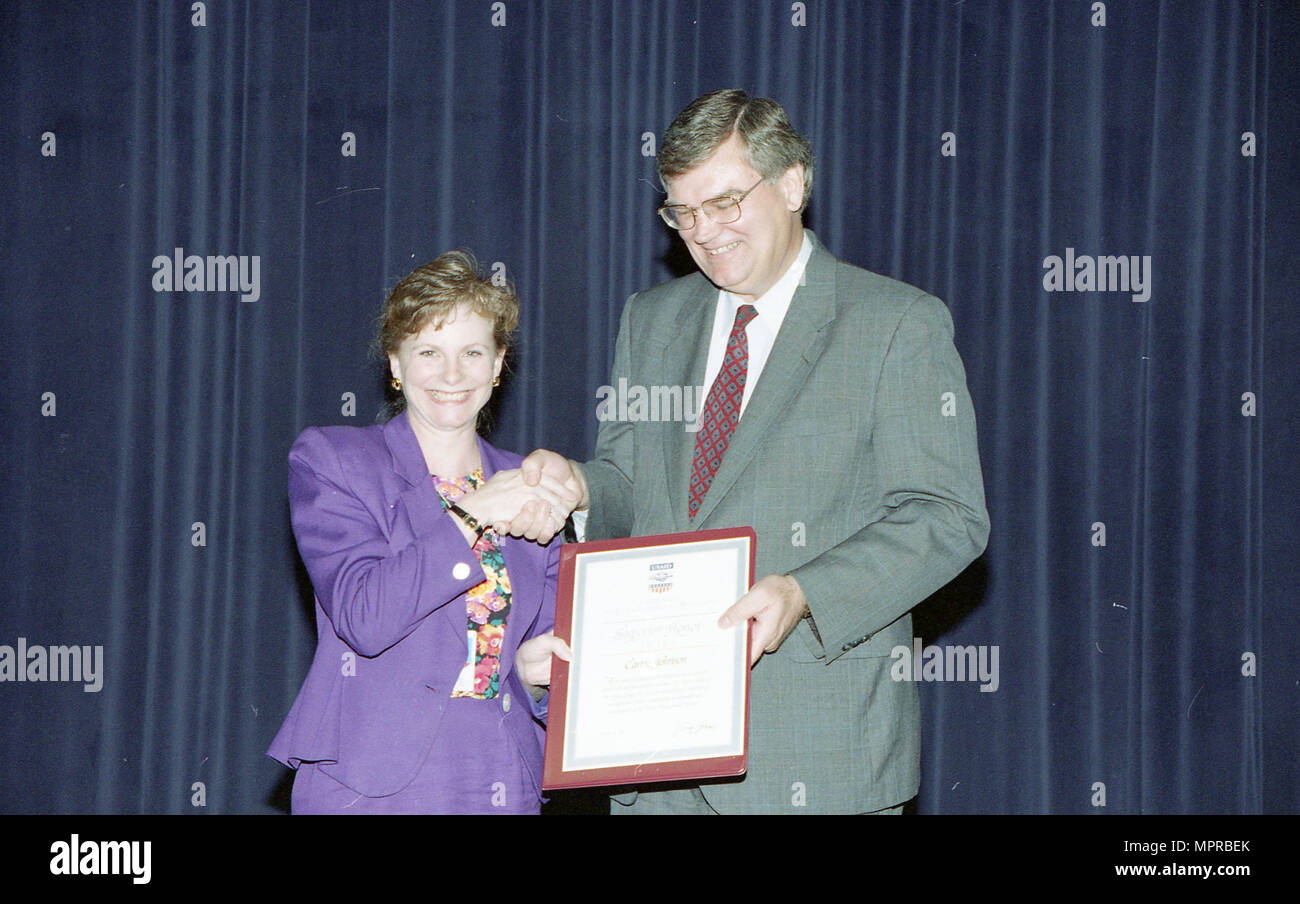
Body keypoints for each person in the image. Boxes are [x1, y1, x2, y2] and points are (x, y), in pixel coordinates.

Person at [515, 89, 990, 814]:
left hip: (817, 759)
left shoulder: (896, 324)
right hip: (655, 762)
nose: (704, 232)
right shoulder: (652, 319)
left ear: (794, 183)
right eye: (683, 212)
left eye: (726, 201)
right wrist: (579, 486)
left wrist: (802, 593)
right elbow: (630, 483)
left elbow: (948, 517)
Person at [268, 250, 575, 814]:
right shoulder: (336, 460)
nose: (452, 375)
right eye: (429, 352)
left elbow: (548, 660)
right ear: (395, 362)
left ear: (498, 363)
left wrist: (535, 677)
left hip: (500, 772)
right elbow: (364, 616)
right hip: (373, 782)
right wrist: (473, 510)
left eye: (472, 353)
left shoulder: (531, 485)